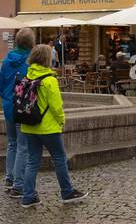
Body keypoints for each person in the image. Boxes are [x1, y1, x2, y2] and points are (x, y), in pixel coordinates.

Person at [18, 44, 88, 206]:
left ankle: (28, 197)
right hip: (48, 127)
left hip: (28, 126)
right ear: (47, 59)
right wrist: (61, 121)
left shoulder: (27, 76)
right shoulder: (50, 80)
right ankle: (67, 192)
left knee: (32, 160)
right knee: (59, 158)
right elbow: (56, 107)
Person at [0, 28, 34, 195]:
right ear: (31, 44)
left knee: (12, 143)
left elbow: (0, 85)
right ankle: (18, 184)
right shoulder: (29, 62)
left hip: (8, 107)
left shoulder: (6, 61)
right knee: (22, 146)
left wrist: (6, 98)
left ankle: (9, 178)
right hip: (22, 107)